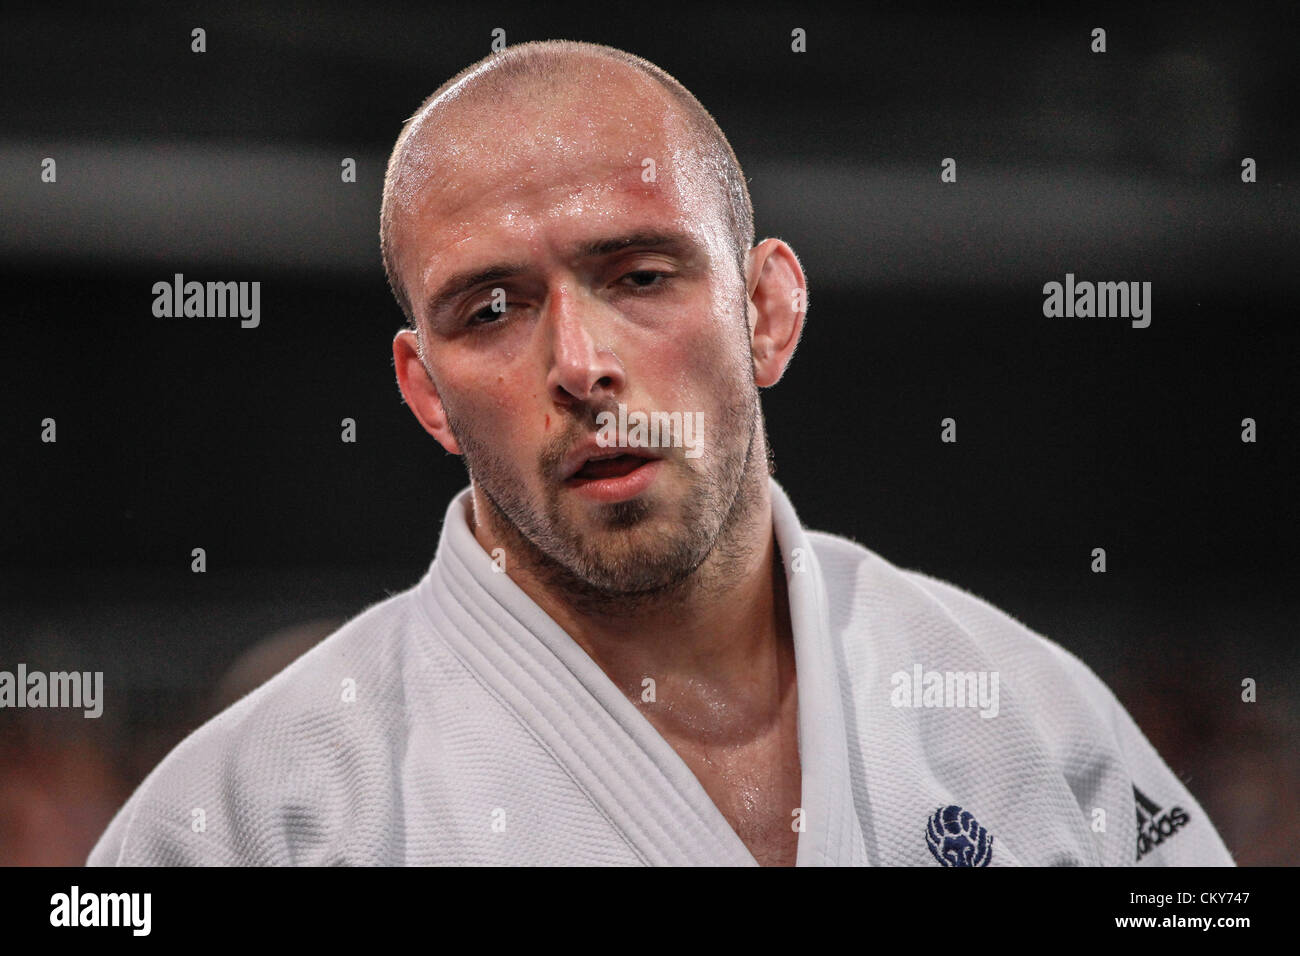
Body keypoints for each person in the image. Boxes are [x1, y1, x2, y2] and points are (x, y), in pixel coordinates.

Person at [88, 39, 1233, 867]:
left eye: (640, 275)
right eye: (491, 309)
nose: (578, 363)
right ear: (425, 392)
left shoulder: (1021, 718)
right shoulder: (254, 813)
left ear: (767, 310)